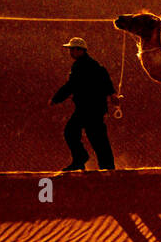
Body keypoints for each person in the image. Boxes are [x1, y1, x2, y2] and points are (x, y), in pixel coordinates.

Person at [51, 37, 119, 171]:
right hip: (94, 107)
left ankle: (81, 159)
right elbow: (105, 80)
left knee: (72, 132)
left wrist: (57, 98)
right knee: (97, 137)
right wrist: (112, 94)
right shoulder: (94, 65)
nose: (70, 52)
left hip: (88, 108)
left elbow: (71, 85)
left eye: (72, 49)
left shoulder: (80, 66)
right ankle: (106, 167)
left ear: (80, 50)